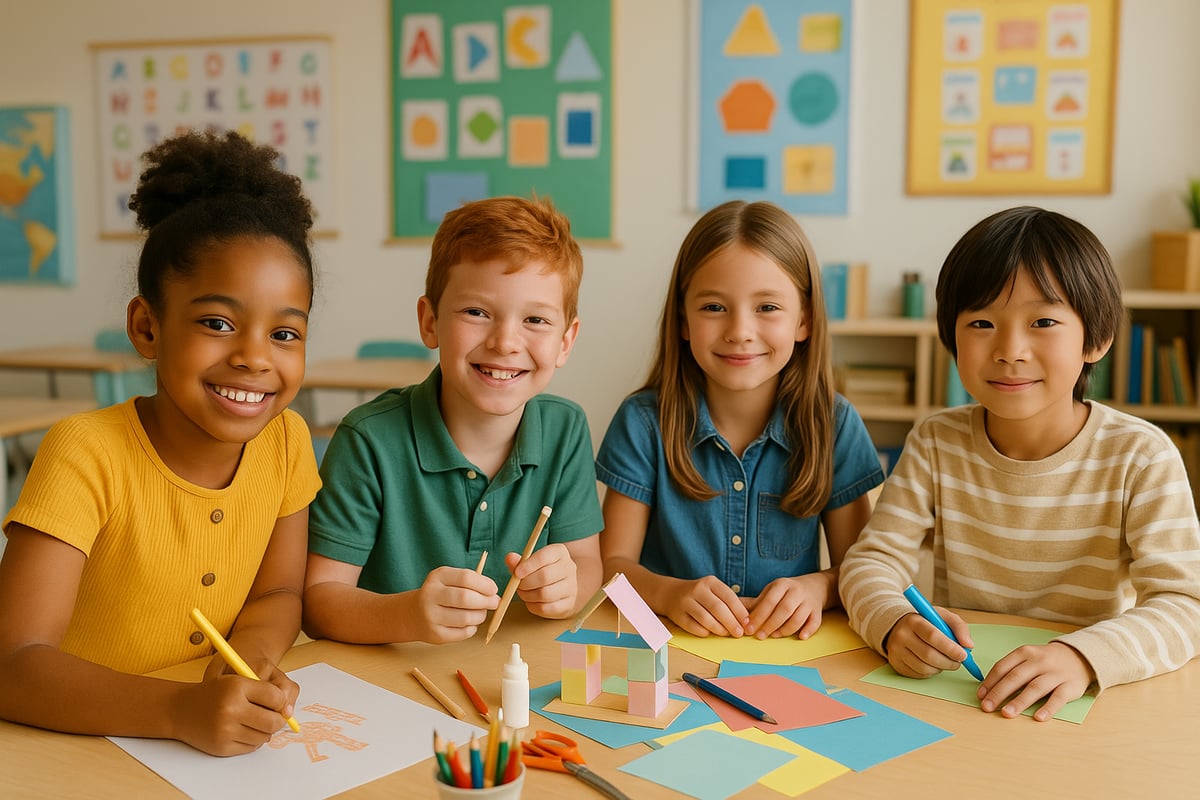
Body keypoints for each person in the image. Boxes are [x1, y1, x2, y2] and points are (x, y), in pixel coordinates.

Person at [0, 131, 322, 755]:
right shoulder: (84, 453)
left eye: (286, 334)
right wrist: (181, 710)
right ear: (147, 327)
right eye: (217, 323)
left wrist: (245, 665)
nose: (255, 357)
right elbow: (13, 663)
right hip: (71, 749)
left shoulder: (288, 440)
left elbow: (279, 593)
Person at [839, 205, 1200, 721]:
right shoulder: (935, 443)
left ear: (1096, 339)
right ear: (951, 339)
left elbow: (1186, 606)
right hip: (963, 699)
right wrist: (893, 622)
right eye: (982, 322)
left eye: (1043, 322)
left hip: (1083, 707)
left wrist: (1081, 656)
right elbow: (871, 562)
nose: (1010, 350)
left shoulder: (1141, 457)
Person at [303, 196, 603, 645]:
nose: (505, 342)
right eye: (476, 312)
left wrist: (568, 588)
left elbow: (587, 565)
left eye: (536, 319)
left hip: (511, 681)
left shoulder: (566, 429)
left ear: (566, 341)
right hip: (390, 686)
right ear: (430, 322)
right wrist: (405, 615)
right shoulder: (367, 440)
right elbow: (318, 600)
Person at [596, 200, 884, 640]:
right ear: (684, 321)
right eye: (714, 307)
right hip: (667, 656)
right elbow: (611, 570)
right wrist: (669, 594)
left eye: (767, 307)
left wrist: (820, 587)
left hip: (790, 659)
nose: (740, 331)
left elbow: (861, 570)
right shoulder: (643, 423)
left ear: (803, 320)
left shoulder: (834, 424)